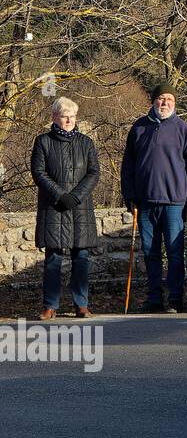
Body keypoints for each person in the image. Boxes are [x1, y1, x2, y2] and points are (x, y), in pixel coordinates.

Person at [121, 82, 187, 313]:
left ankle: (175, 299)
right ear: (153, 101)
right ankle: (154, 298)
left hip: (175, 203)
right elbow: (128, 167)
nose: (165, 103)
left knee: (175, 254)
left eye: (169, 99)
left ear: (174, 103)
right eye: (161, 98)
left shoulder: (183, 129)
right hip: (146, 203)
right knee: (150, 253)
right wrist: (129, 196)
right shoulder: (139, 128)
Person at [31, 97, 100, 319]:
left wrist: (76, 197)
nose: (69, 119)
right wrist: (61, 195)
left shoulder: (86, 142)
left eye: (72, 115)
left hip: (80, 209)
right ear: (54, 117)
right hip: (53, 207)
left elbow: (93, 173)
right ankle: (50, 306)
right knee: (53, 259)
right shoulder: (43, 142)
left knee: (81, 258)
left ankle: (81, 304)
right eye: (64, 115)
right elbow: (39, 172)